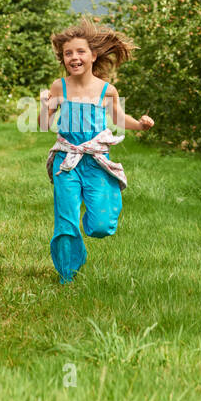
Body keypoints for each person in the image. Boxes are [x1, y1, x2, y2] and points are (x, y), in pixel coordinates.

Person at [43, 18, 154, 283]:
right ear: (63, 59)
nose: (74, 57)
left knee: (100, 226)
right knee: (66, 220)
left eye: (80, 51)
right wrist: (45, 105)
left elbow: (118, 118)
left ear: (93, 56)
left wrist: (139, 124)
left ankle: (108, 201)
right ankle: (67, 273)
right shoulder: (59, 87)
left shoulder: (107, 90)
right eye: (68, 53)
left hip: (96, 161)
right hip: (66, 161)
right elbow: (44, 124)